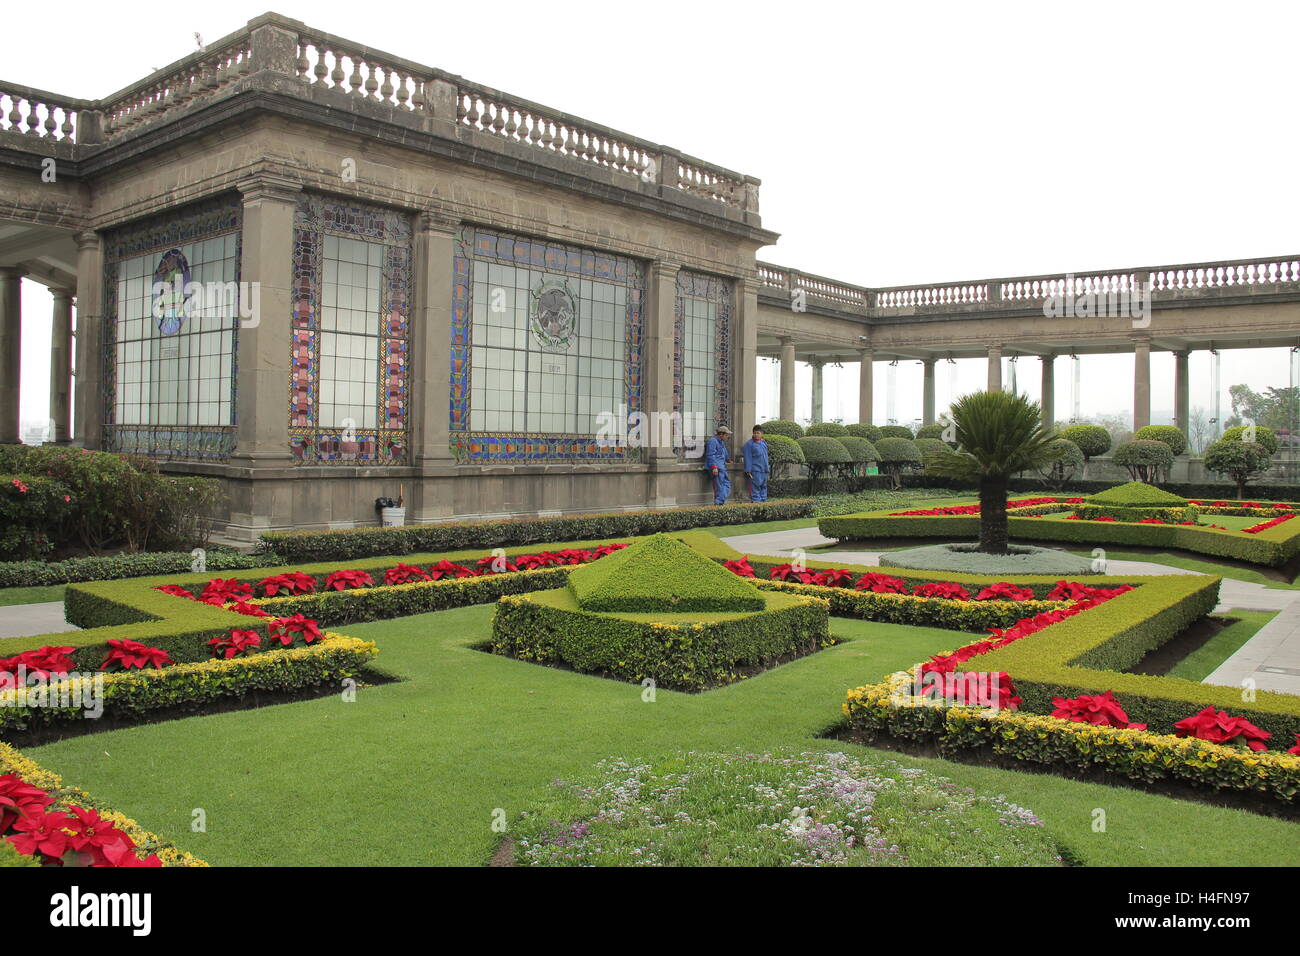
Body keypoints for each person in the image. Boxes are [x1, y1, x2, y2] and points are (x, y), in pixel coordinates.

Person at [705, 425, 732, 505]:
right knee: (719, 488)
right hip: (717, 469)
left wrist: (728, 460)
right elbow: (710, 454)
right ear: (721, 434)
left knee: (727, 485)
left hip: (722, 468)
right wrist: (714, 467)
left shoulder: (721, 442)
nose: (728, 437)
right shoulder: (713, 441)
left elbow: (724, 453)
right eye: (726, 435)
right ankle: (718, 504)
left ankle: (719, 502)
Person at [742, 425, 770, 502]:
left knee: (764, 488)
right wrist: (748, 470)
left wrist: (767, 468)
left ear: (762, 434)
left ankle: (764, 504)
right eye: (755, 433)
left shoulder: (764, 443)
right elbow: (747, 458)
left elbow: (766, 456)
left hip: (764, 470)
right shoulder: (749, 444)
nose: (756, 435)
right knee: (756, 489)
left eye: (758, 433)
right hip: (755, 470)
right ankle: (756, 505)